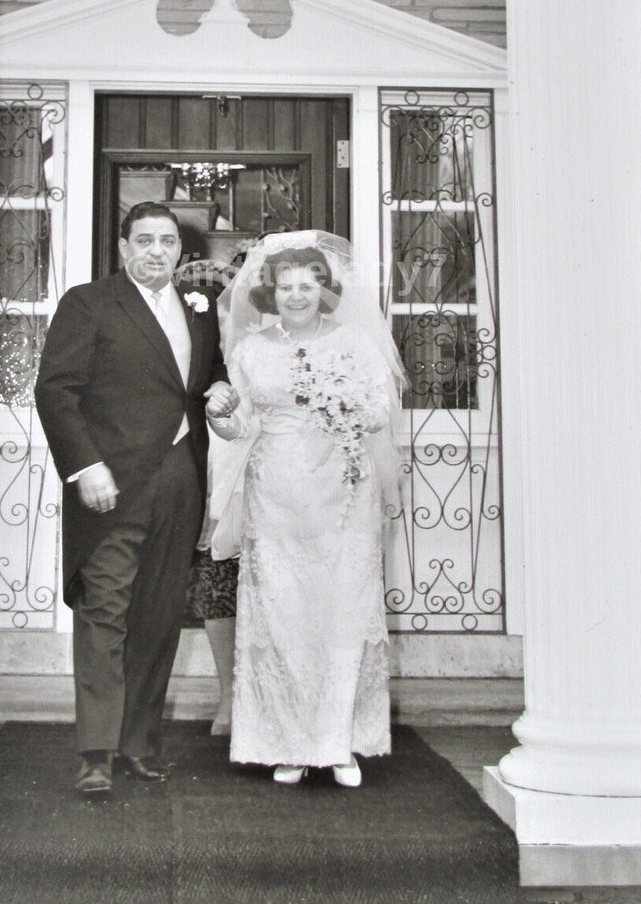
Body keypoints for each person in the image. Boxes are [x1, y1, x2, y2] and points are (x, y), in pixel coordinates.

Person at [34, 202, 237, 797]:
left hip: (179, 483)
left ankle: (138, 744)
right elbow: (56, 392)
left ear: (181, 251)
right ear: (123, 248)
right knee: (106, 614)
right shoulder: (89, 303)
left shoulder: (199, 312)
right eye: (144, 240)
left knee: (157, 616)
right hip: (110, 487)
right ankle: (95, 752)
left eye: (167, 242)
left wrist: (220, 386)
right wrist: (83, 467)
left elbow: (206, 375)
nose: (156, 251)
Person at [206, 231, 405, 788]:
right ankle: (287, 742)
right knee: (283, 611)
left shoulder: (355, 345)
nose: (296, 295)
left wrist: (345, 408)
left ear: (324, 289)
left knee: (342, 609)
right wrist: (219, 415)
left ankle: (338, 743)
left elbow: (378, 411)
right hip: (276, 492)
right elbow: (237, 425)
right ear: (270, 292)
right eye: (285, 285)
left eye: (307, 285)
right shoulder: (249, 349)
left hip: (342, 492)